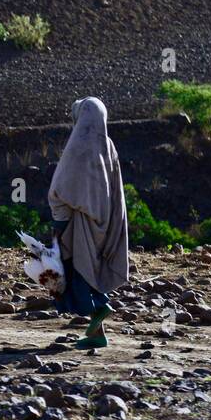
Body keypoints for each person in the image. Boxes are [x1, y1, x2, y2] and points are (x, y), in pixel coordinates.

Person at [48, 97, 130, 349]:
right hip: (105, 224)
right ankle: (97, 335)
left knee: (78, 275)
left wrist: (57, 228)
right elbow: (116, 190)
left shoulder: (78, 147)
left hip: (79, 226)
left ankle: (102, 307)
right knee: (92, 272)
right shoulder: (108, 145)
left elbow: (60, 190)